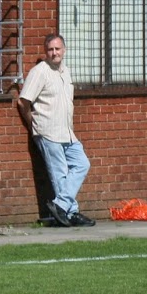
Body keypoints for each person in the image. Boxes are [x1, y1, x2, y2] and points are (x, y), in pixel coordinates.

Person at [16, 33, 94, 227]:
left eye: (57, 49)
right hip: (48, 131)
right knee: (59, 174)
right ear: (46, 52)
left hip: (67, 132)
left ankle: (61, 206)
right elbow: (23, 101)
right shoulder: (40, 71)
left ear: (64, 50)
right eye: (50, 49)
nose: (54, 53)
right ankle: (71, 213)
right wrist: (32, 123)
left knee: (82, 164)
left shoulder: (65, 72)